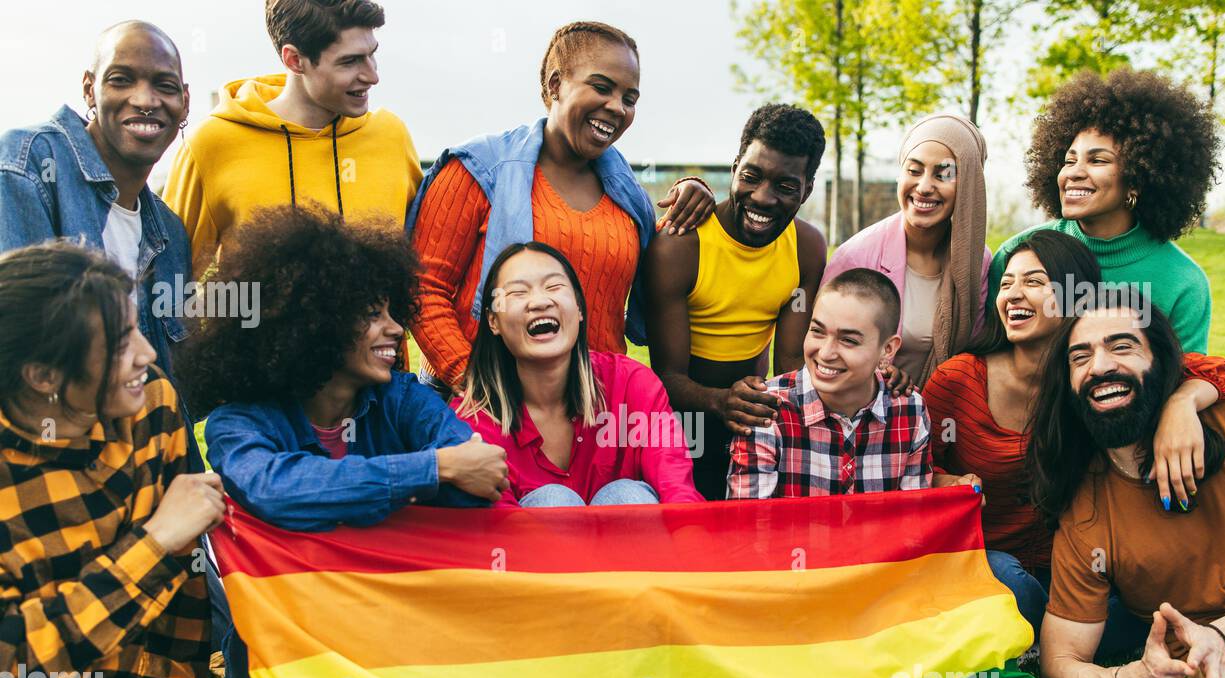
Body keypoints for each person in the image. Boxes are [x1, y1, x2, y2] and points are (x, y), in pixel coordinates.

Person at [0, 243, 305, 678]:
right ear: (43, 376)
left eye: (138, 327)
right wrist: (154, 541)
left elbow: (187, 577)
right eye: (118, 344)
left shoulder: (152, 407)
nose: (146, 354)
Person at [180, 205, 508, 678]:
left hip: (382, 624)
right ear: (315, 323)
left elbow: (481, 479)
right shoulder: (238, 422)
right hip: (279, 645)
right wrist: (427, 473)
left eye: (393, 312)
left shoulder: (402, 397)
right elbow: (277, 490)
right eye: (373, 315)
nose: (396, 329)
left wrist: (431, 475)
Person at [924, 231, 1225, 641]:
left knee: (1141, 602)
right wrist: (947, 481)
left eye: (1034, 282)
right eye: (1007, 284)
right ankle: (1046, 629)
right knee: (1013, 584)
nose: (1014, 295)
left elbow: (1222, 371)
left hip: (1077, 565)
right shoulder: (960, 378)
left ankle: (1053, 630)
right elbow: (912, 469)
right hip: (990, 559)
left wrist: (1181, 405)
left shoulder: (1093, 375)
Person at [1029, 290, 1225, 678]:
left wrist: (1222, 634)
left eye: (1122, 346)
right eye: (1081, 357)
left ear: (1163, 362)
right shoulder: (1085, 510)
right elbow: (1061, 664)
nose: (1099, 367)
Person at [408, 20, 716, 392]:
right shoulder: (479, 169)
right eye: (601, 87)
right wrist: (474, 383)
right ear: (555, 85)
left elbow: (660, 281)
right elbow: (423, 288)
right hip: (480, 406)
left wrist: (693, 191)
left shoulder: (630, 198)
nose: (617, 107)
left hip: (591, 411)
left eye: (630, 98)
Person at [646, 104, 828, 500]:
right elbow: (666, 377)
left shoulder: (807, 249)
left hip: (753, 410)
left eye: (785, 186)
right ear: (734, 169)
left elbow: (792, 363)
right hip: (683, 416)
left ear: (807, 190)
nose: (762, 198)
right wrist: (720, 400)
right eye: (751, 176)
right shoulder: (681, 246)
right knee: (690, 523)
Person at [163, 0, 420, 275]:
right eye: (350, 61)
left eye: (371, 54)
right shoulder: (209, 144)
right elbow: (170, 283)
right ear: (295, 60)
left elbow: (426, 274)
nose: (372, 76)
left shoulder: (392, 136)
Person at [0, 20, 191, 379]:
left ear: (184, 102)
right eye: (121, 80)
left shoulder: (171, 235)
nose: (145, 100)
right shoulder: (28, 164)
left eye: (164, 86)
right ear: (89, 89)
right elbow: (21, 347)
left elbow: (168, 380)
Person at [988, 68, 1222, 353]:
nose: (1074, 173)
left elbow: (1192, 377)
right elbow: (991, 350)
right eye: (1069, 160)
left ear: (1136, 179)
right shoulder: (1018, 254)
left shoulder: (1182, 281)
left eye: (1097, 160)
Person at [455, 242, 702, 507]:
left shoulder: (632, 384)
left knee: (626, 496)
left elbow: (677, 489)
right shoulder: (473, 423)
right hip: (531, 546)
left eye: (554, 287)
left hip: (632, 542)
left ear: (580, 308)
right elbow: (492, 527)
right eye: (517, 292)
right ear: (493, 321)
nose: (539, 301)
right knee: (554, 501)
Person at [727, 268, 932, 499]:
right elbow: (751, 525)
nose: (825, 353)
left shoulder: (910, 410)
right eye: (817, 331)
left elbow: (913, 518)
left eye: (848, 340)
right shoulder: (765, 409)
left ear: (888, 349)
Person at [822, 113, 990, 385]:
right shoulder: (856, 257)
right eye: (914, 170)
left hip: (943, 413)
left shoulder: (977, 262)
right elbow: (823, 350)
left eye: (943, 174)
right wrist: (878, 378)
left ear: (969, 184)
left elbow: (976, 355)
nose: (924, 187)